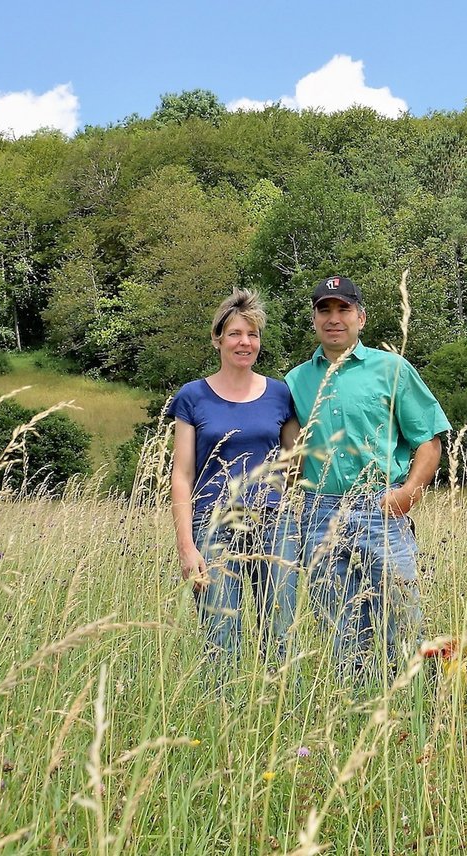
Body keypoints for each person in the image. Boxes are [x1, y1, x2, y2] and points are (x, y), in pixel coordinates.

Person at [286, 275, 451, 679]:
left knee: (403, 618)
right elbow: (288, 452)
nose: (334, 319)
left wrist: (409, 492)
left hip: (381, 508)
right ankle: (356, 714)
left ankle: (413, 706)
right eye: (325, 310)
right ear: (314, 320)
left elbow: (428, 440)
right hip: (318, 514)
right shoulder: (293, 382)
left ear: (361, 316)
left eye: (343, 309)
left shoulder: (391, 368)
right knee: (339, 626)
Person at [170, 288, 300, 674]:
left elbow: (294, 463)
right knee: (220, 635)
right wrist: (186, 547)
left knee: (279, 631)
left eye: (253, 334)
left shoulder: (280, 394)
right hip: (212, 525)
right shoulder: (193, 397)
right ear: (217, 339)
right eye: (235, 334)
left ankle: (280, 721)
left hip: (273, 524)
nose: (245, 343)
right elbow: (182, 474)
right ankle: (221, 720)